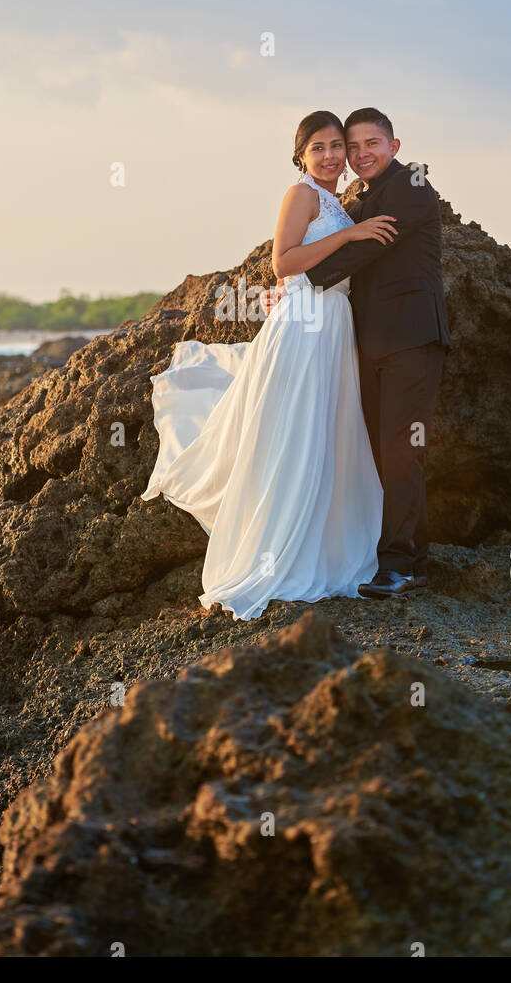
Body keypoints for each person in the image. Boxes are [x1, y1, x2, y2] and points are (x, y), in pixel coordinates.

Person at [141, 110, 395, 620]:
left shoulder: (337, 201)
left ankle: (321, 550)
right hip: (304, 327)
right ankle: (276, 555)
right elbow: (283, 262)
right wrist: (350, 236)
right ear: (301, 156)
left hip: (331, 323)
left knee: (325, 436)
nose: (330, 156)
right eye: (317, 148)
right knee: (295, 434)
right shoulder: (301, 195)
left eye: (335, 147)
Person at [304, 107, 450, 597]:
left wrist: (300, 281)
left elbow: (370, 248)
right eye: (354, 145)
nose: (362, 153)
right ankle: (415, 562)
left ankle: (399, 567)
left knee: (402, 451)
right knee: (383, 454)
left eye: (372, 143)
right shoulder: (359, 201)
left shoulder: (410, 183)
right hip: (368, 341)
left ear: (395, 147)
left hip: (411, 337)